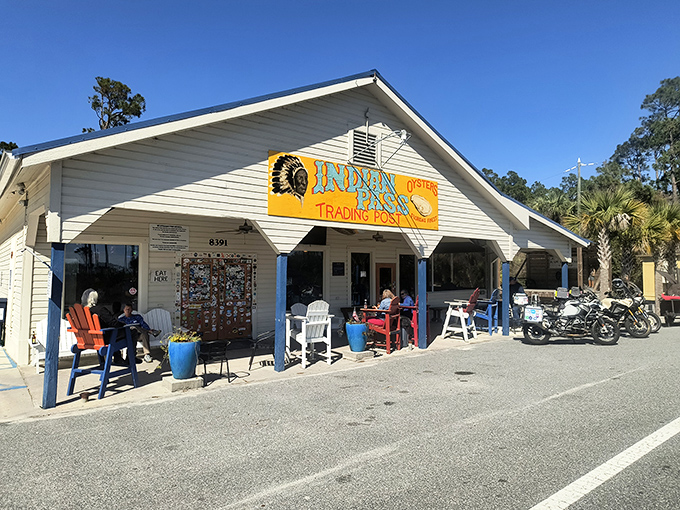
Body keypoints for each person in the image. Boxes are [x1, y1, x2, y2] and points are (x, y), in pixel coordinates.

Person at [81, 288, 130, 365]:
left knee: (112, 334)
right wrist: (124, 324)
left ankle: (118, 357)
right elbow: (112, 322)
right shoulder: (100, 310)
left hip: (87, 339)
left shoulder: (81, 312)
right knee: (131, 332)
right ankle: (130, 358)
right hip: (103, 338)